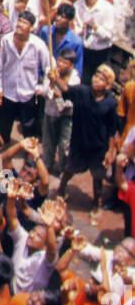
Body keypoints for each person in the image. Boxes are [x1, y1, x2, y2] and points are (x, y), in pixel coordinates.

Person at [58, 65, 119, 213]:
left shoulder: (110, 103)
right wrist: (56, 79)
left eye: (101, 79)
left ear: (107, 85)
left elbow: (112, 130)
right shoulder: (81, 91)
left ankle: (95, 202)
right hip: (79, 143)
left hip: (98, 148)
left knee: (97, 177)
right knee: (69, 170)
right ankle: (60, 191)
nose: (96, 80)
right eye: (96, 76)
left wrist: (111, 151)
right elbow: (65, 90)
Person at [0, 13, 50, 142]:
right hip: (8, 91)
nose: (20, 24)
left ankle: (29, 150)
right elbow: (0, 66)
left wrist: (43, 89)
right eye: (19, 21)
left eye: (25, 23)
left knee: (28, 124)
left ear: (31, 28)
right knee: (4, 122)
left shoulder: (38, 45)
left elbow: (48, 68)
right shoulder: (6, 40)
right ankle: (4, 144)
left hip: (28, 92)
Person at [74, 0, 116, 80]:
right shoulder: (78, 5)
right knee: (80, 78)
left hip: (100, 53)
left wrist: (96, 29)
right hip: (83, 50)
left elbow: (109, 36)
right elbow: (75, 28)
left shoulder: (107, 9)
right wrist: (82, 30)